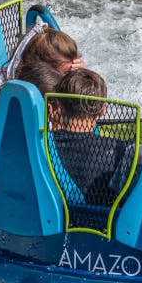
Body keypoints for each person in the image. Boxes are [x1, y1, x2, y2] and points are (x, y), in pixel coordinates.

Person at [49, 69, 125, 206]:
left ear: (60, 106)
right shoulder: (120, 151)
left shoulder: (43, 146)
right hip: (103, 224)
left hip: (57, 221)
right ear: (103, 110)